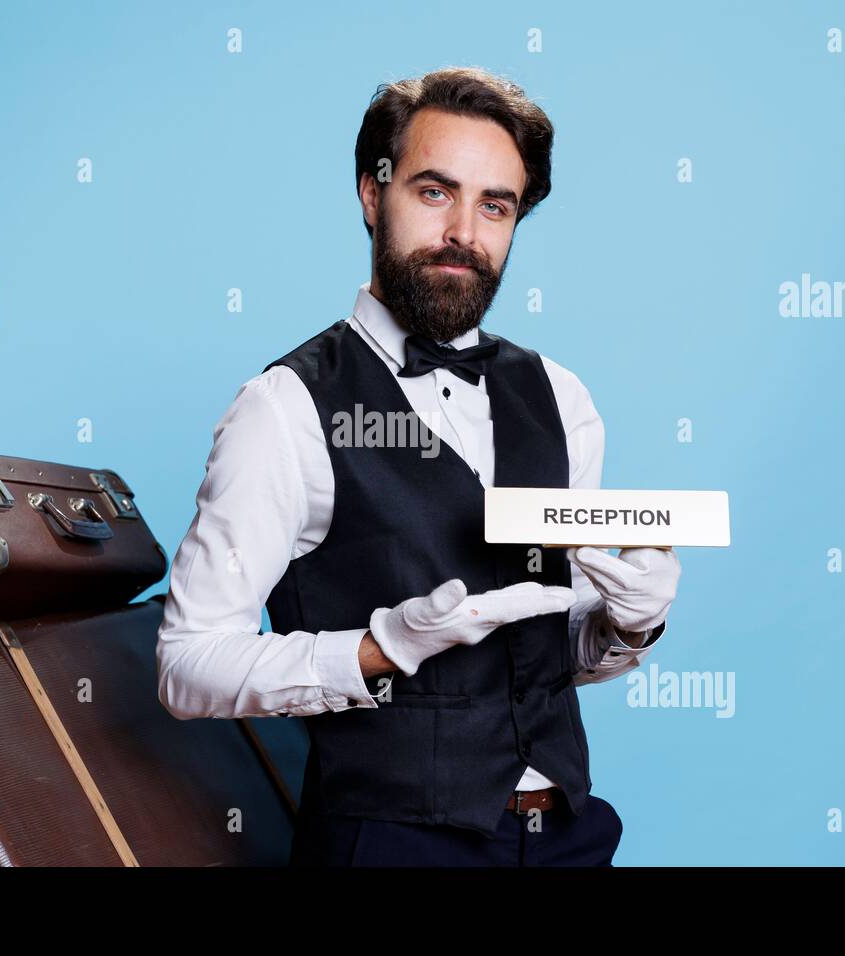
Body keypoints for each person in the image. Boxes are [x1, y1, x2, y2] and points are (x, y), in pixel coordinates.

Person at [157, 66, 681, 866]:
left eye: (494, 206)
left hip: (565, 834)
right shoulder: (286, 406)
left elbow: (545, 657)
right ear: (373, 194)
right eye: (435, 192)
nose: (463, 232)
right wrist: (380, 647)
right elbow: (187, 667)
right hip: (387, 844)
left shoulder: (563, 398)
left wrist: (628, 625)